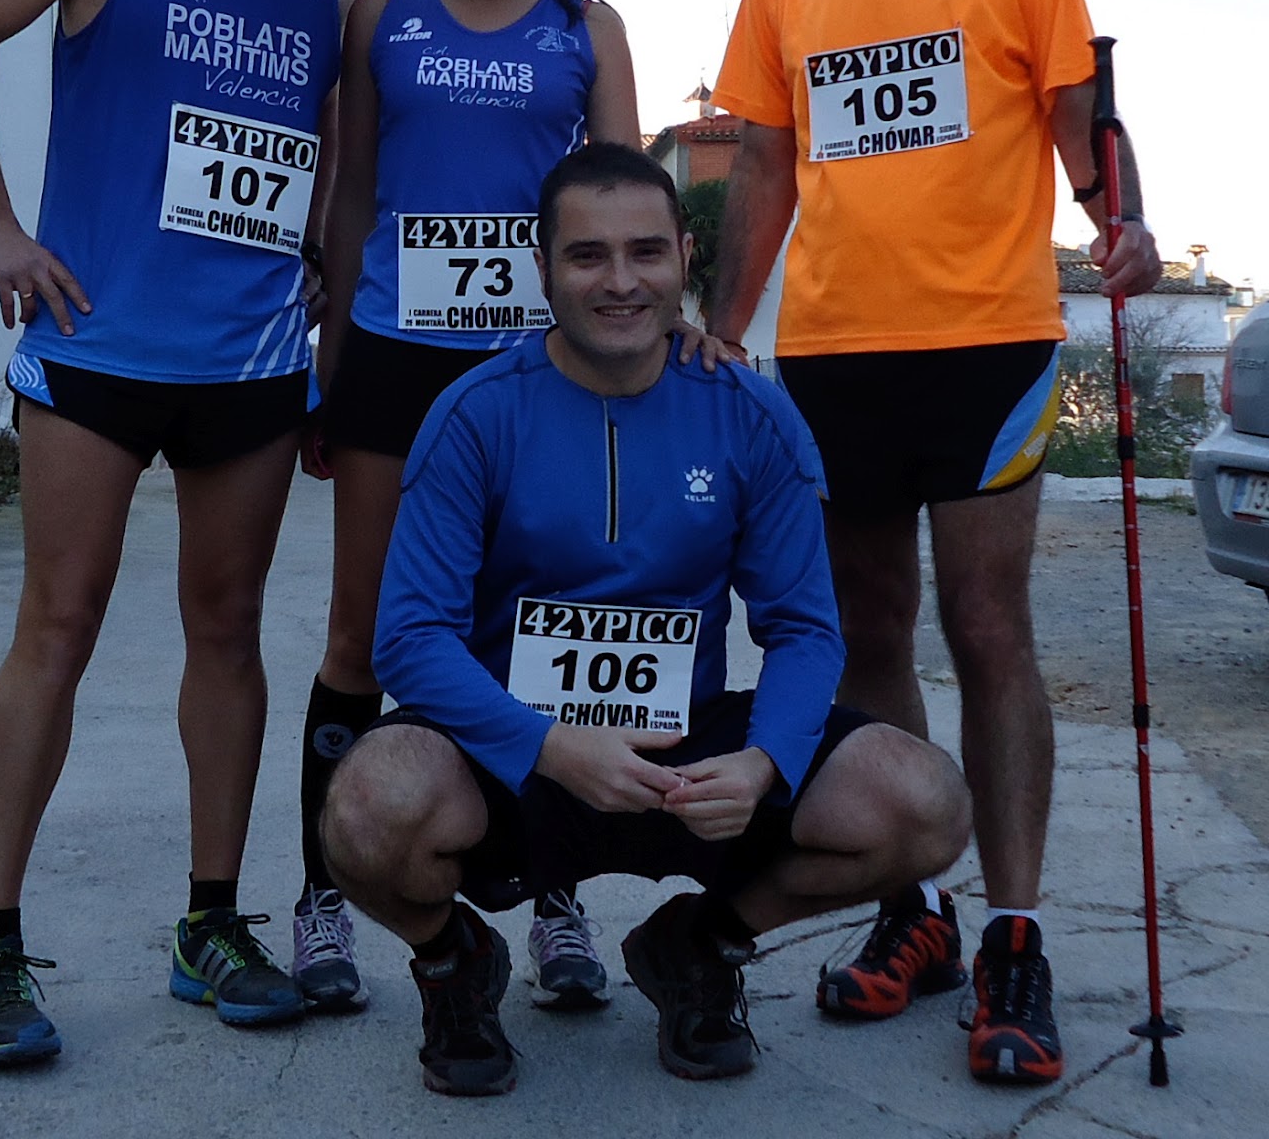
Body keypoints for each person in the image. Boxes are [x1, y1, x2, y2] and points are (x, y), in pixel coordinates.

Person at [708, 0, 1164, 1086]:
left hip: (988, 343)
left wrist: (1124, 217)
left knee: (987, 627)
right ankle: (918, 914)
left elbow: (1081, 115)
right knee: (868, 636)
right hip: (833, 355)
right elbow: (766, 161)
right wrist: (717, 328)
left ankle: (1017, 933)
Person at [319, 142, 971, 1096]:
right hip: (514, 754)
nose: (620, 282)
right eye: (587, 255)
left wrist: (765, 762)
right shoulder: (473, 415)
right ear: (542, 268)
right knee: (366, 807)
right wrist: (547, 745)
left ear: (684, 261)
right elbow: (410, 640)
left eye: (646, 252)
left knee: (925, 805)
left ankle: (700, 947)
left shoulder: (752, 415)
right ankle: (454, 962)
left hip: (687, 755)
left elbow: (803, 628)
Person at [0, 0, 364, 1066]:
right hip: (95, 345)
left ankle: (211, 924)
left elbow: (330, 125)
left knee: (227, 636)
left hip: (249, 362)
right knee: (55, 630)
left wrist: (318, 256)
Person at [291, 0, 645, 1015]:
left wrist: (647, 355)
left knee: (532, 636)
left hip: (538, 375)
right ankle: (325, 896)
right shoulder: (382, 16)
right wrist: (330, 362)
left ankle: (555, 894)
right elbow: (351, 193)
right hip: (395, 354)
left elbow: (621, 203)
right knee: (362, 630)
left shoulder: (587, 26)